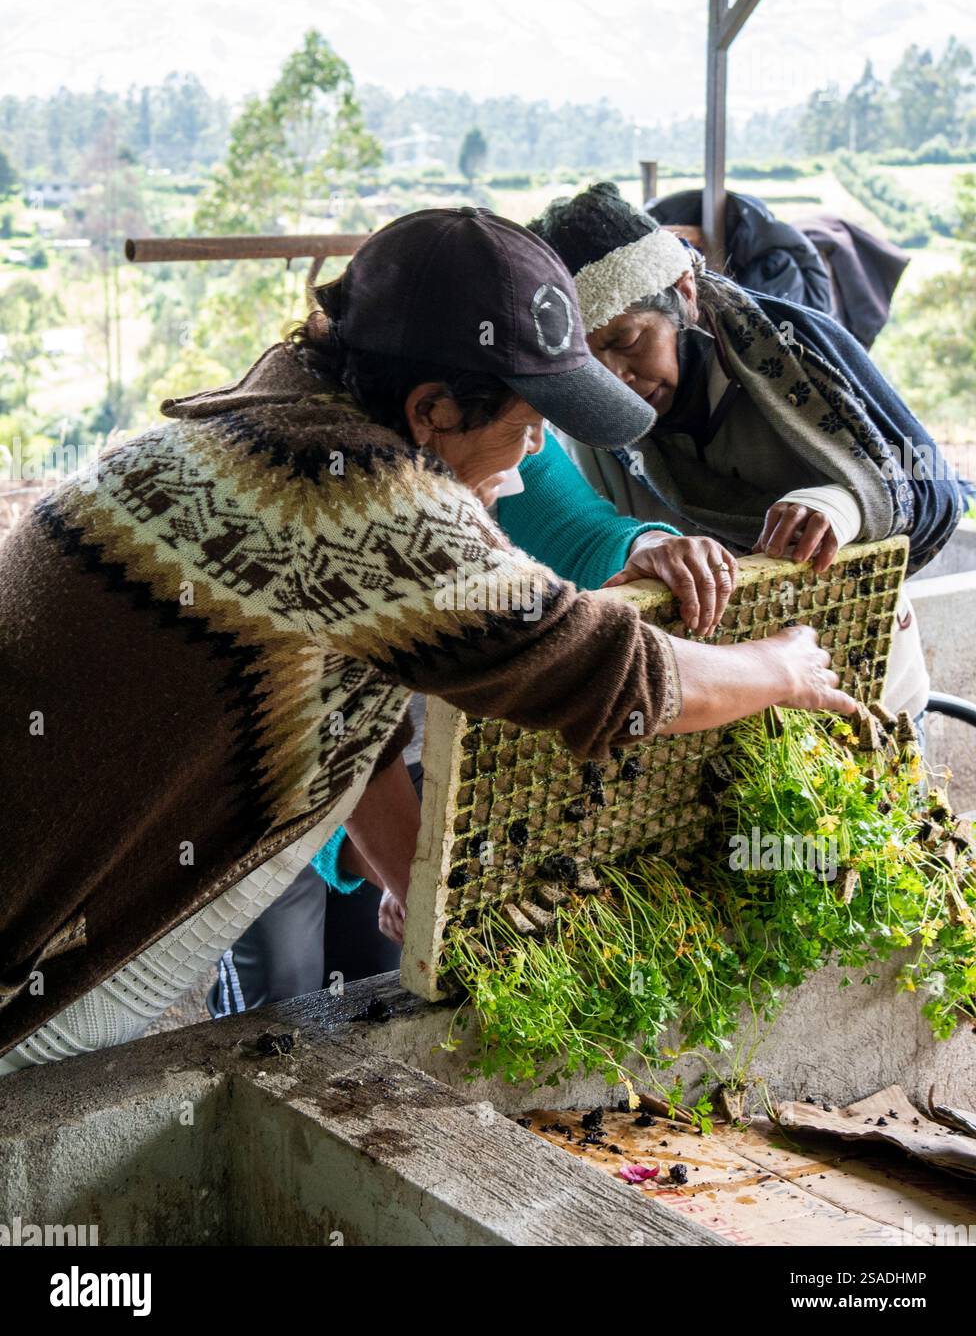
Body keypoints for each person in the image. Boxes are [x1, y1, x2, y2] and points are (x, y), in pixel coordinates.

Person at [0, 206, 854, 1072]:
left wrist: (417, 880)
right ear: (432, 411)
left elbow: (334, 710)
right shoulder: (354, 496)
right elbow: (607, 675)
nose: (525, 467)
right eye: (526, 432)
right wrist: (779, 666)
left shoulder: (257, 423)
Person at [509, 183, 963, 720]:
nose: (615, 378)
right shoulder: (583, 419)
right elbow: (588, 541)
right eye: (589, 360)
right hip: (718, 696)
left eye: (629, 341)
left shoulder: (799, 353)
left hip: (861, 675)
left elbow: (933, 484)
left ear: (684, 293)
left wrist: (841, 506)